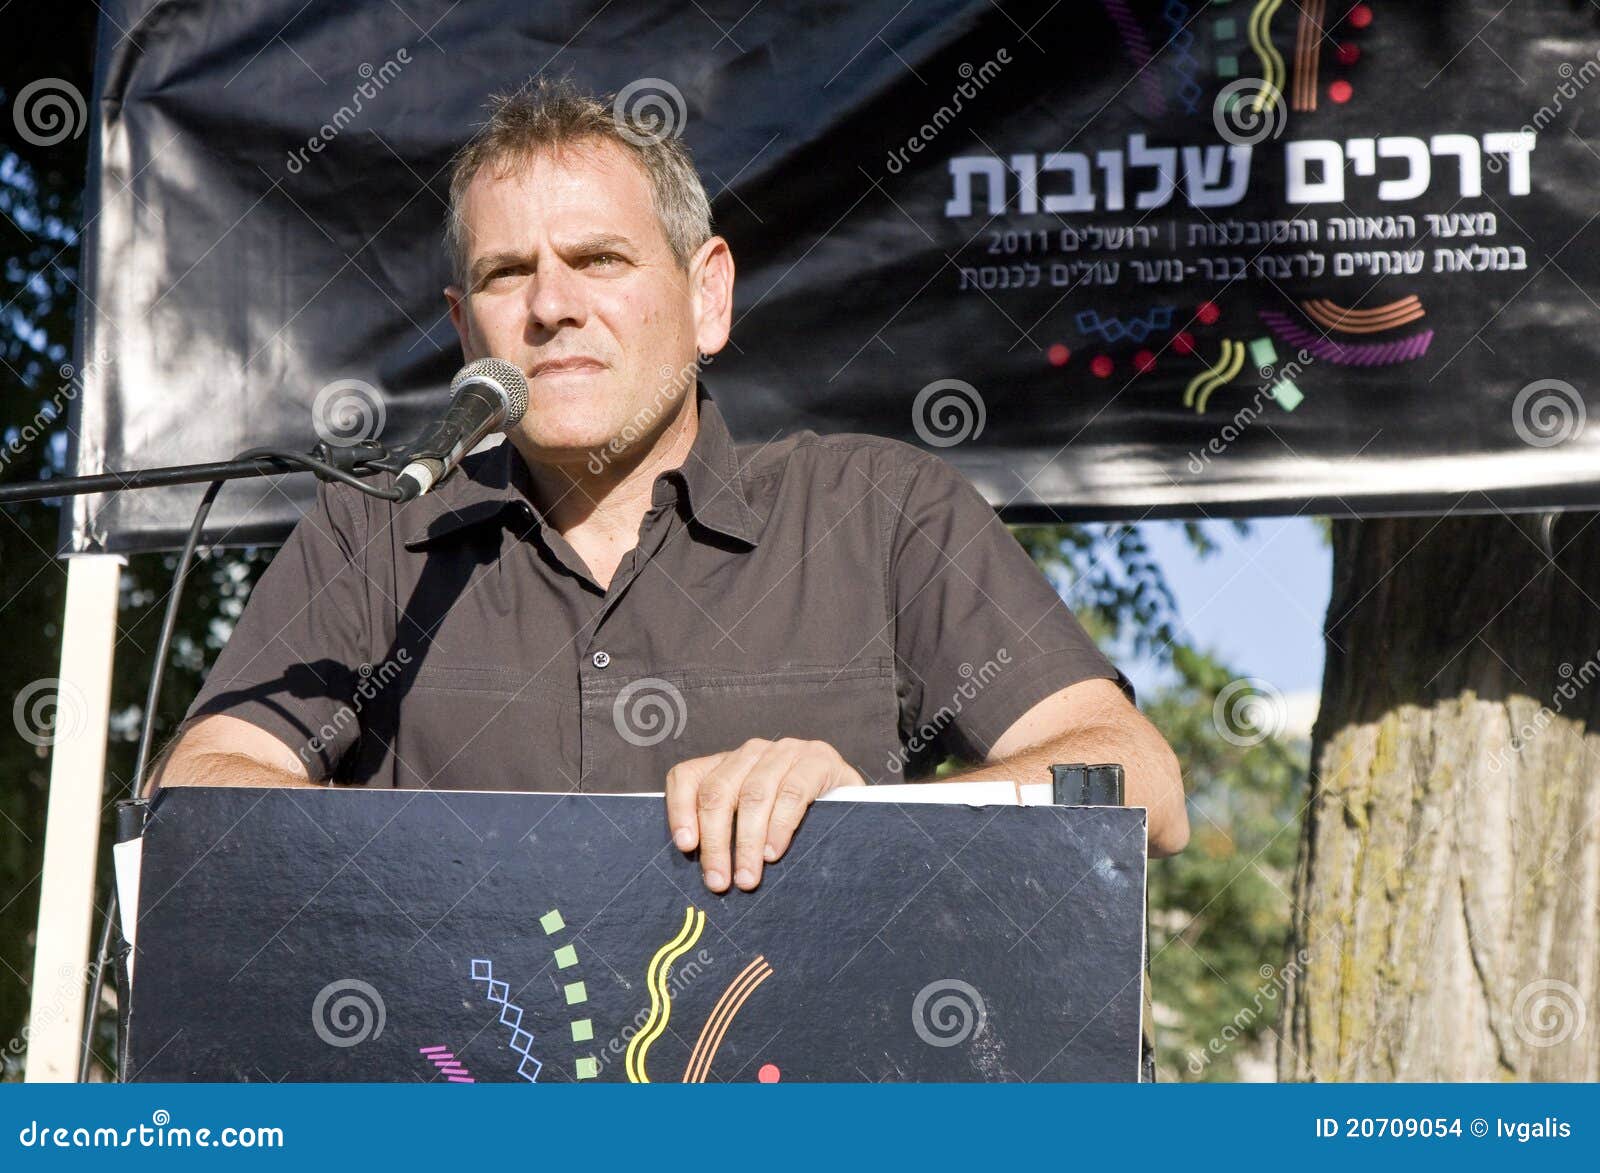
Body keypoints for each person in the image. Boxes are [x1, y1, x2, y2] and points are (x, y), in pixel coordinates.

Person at [154, 77, 1187, 891]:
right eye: (507, 274)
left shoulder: (879, 509)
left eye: (599, 259)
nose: (551, 305)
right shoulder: (369, 532)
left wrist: (863, 823)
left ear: (707, 299)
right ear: (466, 331)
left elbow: (1136, 784)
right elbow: (194, 803)